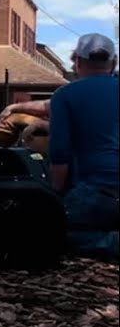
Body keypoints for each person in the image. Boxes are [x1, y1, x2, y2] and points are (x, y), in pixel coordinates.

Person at [49, 34, 119, 256]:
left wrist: (55, 195)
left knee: (52, 234)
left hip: (94, 192)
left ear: (77, 61)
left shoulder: (65, 95)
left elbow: (59, 154)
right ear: (114, 62)